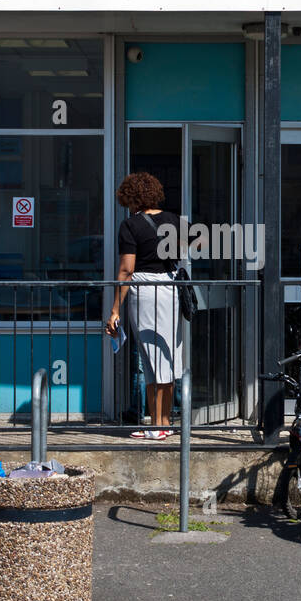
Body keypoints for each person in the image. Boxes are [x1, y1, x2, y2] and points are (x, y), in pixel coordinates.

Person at [107, 171, 184, 439]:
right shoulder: (174, 220)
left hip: (145, 289)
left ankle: (158, 426)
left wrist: (115, 308)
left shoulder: (131, 226)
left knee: (150, 359)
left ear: (132, 198)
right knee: (165, 357)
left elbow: (126, 271)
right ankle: (162, 424)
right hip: (169, 288)